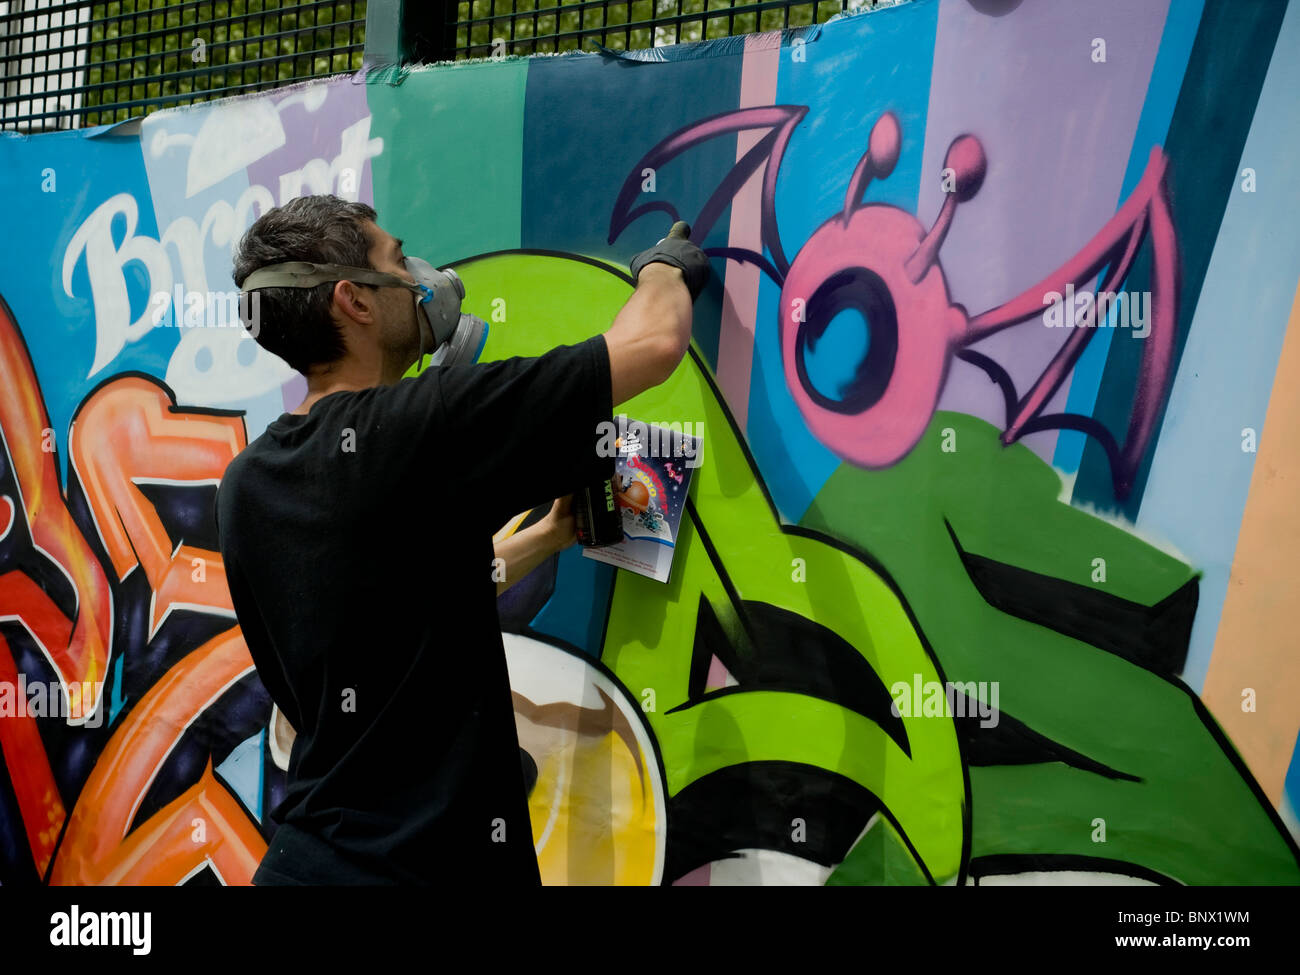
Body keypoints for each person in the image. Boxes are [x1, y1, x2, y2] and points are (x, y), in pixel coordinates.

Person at [214, 194, 710, 885]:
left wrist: (547, 536)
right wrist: (664, 269)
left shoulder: (248, 481)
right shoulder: (421, 424)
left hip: (308, 862)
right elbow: (653, 345)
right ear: (354, 301)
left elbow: (398, 603)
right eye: (396, 259)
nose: (420, 274)